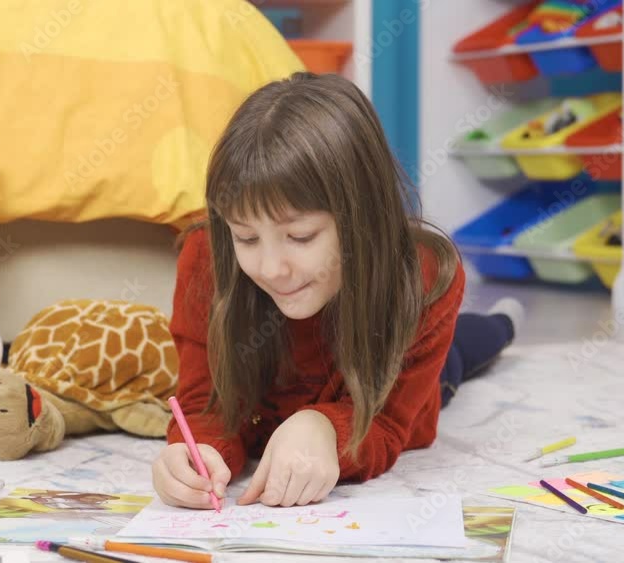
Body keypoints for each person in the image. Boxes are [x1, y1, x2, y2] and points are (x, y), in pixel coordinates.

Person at [152, 72, 523, 510]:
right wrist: (198, 453)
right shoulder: (207, 258)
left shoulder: (426, 278)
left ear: (362, 219)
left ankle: (505, 322)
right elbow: (204, 404)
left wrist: (325, 427)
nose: (272, 269)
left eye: (302, 236)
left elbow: (387, 425)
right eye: (247, 238)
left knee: (465, 351)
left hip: (405, 372)